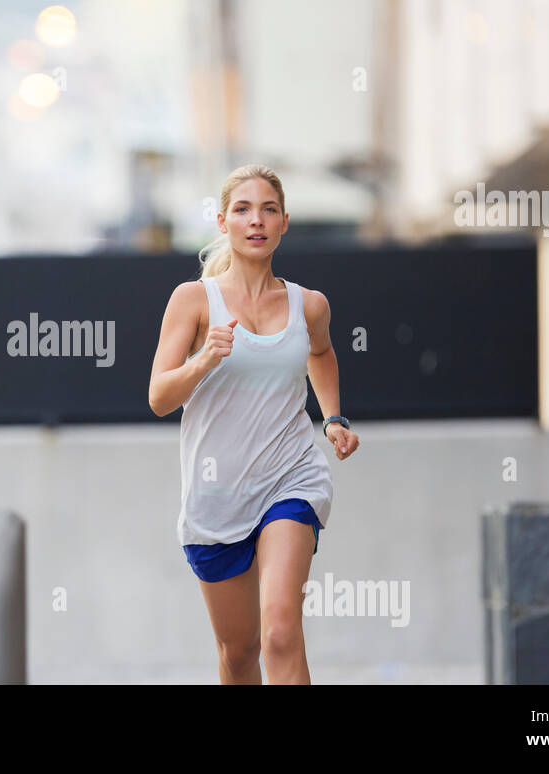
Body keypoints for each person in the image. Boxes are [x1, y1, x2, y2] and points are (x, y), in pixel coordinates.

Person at [148, 164, 359, 684]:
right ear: (223, 222)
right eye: (242, 210)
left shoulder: (309, 305)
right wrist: (202, 361)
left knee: (282, 630)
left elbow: (322, 353)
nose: (256, 221)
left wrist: (332, 417)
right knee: (239, 652)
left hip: (290, 479)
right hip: (215, 497)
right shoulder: (192, 300)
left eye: (268, 210)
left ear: (284, 222)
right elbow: (158, 397)